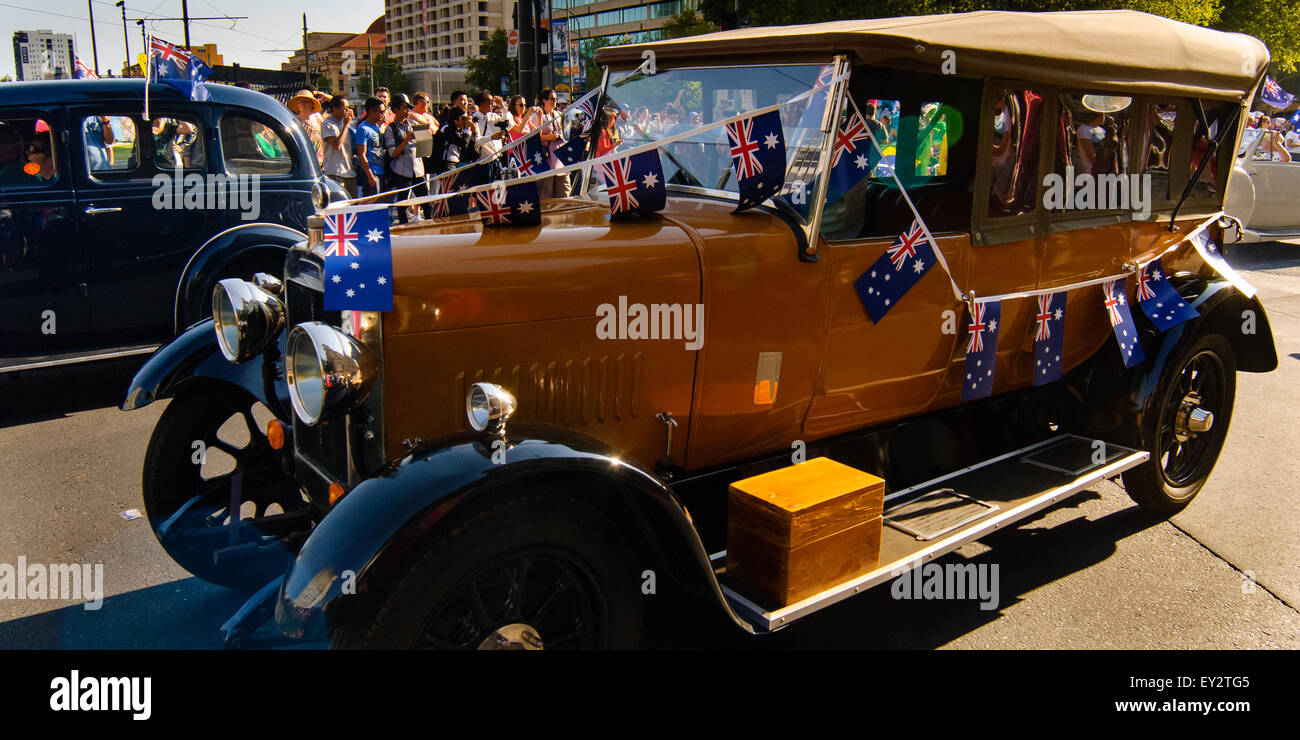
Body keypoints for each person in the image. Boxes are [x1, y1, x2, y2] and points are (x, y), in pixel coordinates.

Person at [383, 93, 426, 223]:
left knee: (427, 202)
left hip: (418, 170)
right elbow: (393, 153)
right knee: (402, 206)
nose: (407, 111)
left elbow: (429, 127)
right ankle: (403, 230)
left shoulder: (413, 124)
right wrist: (406, 140)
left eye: (409, 108)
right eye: (404, 108)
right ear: (395, 110)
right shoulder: (391, 129)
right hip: (402, 171)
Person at [535, 88, 569, 199]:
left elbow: (566, 133)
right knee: (546, 192)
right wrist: (549, 137)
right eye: (552, 99)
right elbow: (533, 137)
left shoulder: (559, 115)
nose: (555, 101)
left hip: (560, 158)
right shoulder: (538, 115)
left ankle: (564, 215)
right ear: (544, 100)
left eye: (556, 99)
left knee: (564, 192)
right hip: (546, 159)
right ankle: (547, 216)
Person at [321, 95, 356, 197]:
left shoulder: (349, 123)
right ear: (335, 109)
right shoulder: (327, 123)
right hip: (335, 172)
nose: (348, 111)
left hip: (350, 171)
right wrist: (346, 125)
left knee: (353, 205)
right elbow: (337, 145)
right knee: (339, 203)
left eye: (349, 108)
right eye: (345, 108)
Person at [354, 96, 388, 198]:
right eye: (381, 112)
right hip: (371, 172)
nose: (383, 114)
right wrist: (369, 175)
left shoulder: (376, 126)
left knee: (381, 204)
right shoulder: (363, 129)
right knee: (373, 204)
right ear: (372, 111)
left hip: (381, 171)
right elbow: (361, 154)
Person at [288, 90, 324, 166]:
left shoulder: (318, 120)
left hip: (319, 161)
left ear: (312, 104)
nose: (302, 104)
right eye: (300, 102)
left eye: (305, 101)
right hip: (303, 160)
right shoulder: (294, 121)